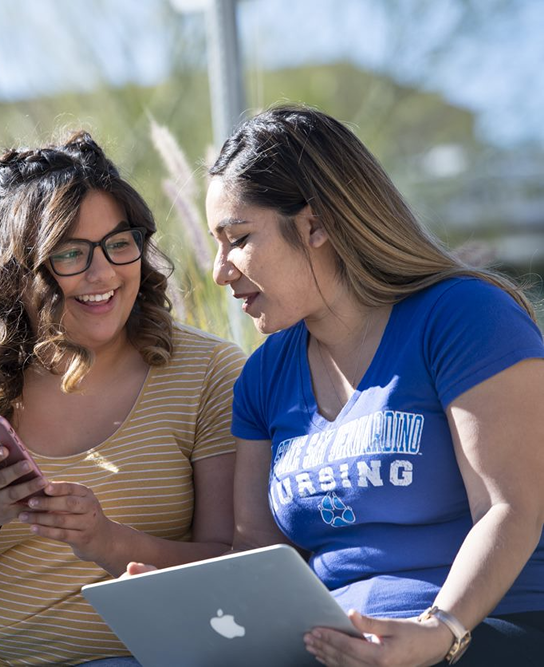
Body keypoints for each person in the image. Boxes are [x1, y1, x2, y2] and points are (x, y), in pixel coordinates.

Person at [0, 131, 246, 666]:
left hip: (129, 655)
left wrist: (110, 543)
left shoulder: (209, 371)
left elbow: (234, 571)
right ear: (13, 270)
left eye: (120, 243)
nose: (104, 273)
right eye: (70, 253)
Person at [204, 104, 544, 666]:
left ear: (315, 225)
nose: (220, 271)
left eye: (237, 239)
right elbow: (260, 556)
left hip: (485, 629)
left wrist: (439, 632)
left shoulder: (465, 316)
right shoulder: (263, 375)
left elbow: (509, 509)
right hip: (333, 650)